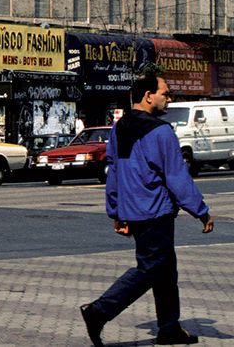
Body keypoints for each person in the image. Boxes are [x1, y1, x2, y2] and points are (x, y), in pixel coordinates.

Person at [80, 73, 212, 347]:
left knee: (165, 271)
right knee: (150, 269)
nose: (169, 98)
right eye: (165, 93)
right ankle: (98, 311)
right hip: (155, 210)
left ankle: (169, 328)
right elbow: (176, 176)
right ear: (147, 95)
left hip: (134, 210)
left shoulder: (119, 128)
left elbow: (114, 171)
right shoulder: (161, 131)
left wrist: (116, 211)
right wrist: (201, 210)